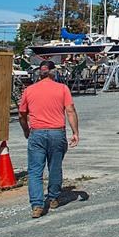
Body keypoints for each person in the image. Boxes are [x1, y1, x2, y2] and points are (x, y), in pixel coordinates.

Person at [18, 61, 79, 218]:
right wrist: (75, 132)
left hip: (36, 133)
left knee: (35, 170)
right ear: (53, 72)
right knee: (55, 167)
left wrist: (26, 130)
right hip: (56, 133)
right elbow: (70, 111)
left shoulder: (29, 90)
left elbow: (21, 114)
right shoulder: (62, 89)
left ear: (40, 72)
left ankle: (37, 205)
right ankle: (53, 198)